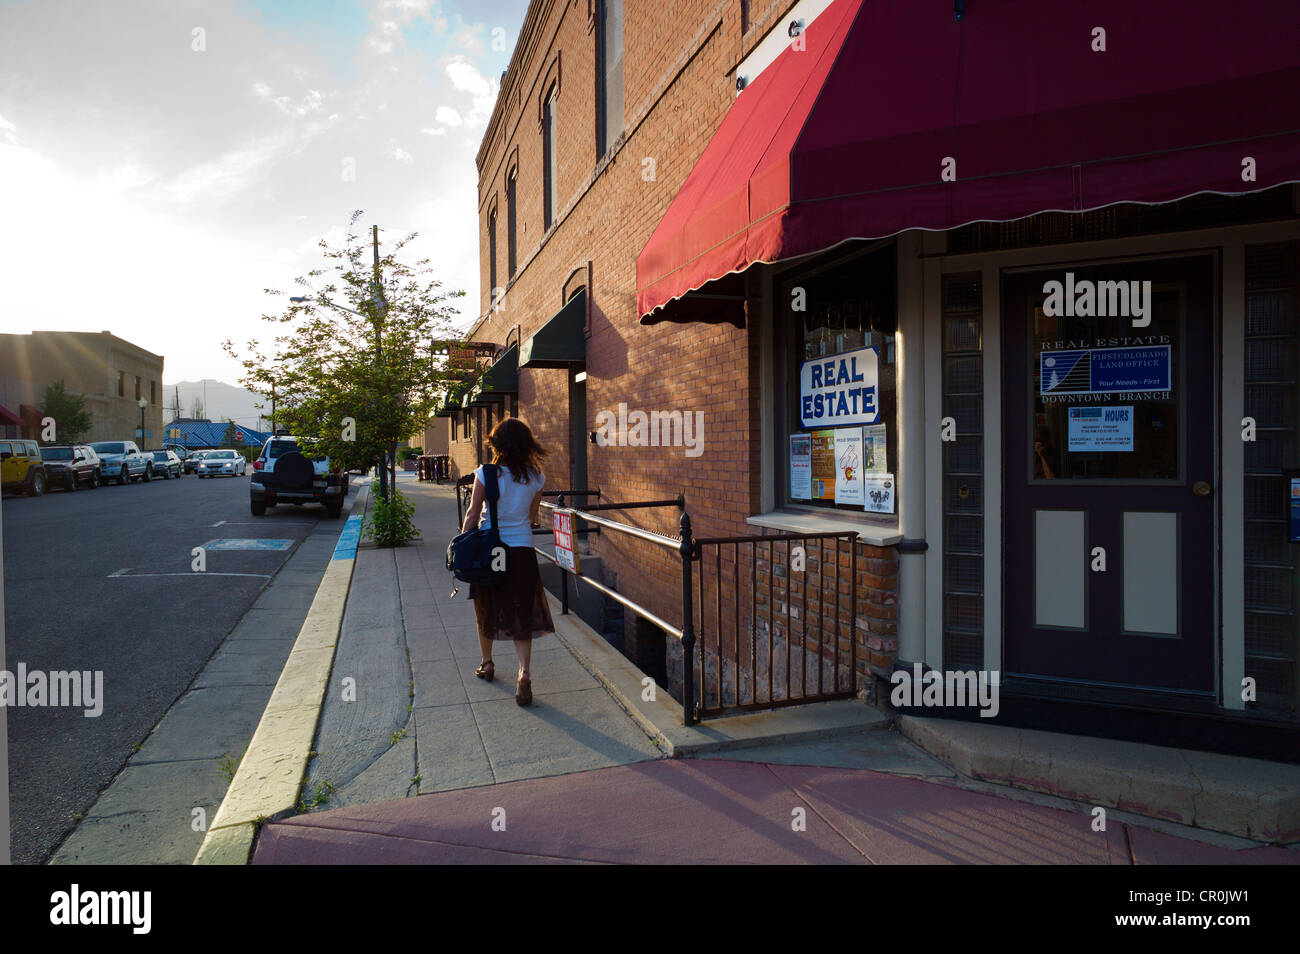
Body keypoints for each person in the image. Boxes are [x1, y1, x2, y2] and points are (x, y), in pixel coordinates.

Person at [459, 418, 554, 705]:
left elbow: (473, 515)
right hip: (522, 551)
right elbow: (531, 517)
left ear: (496, 443)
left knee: (485, 607)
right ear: (527, 444)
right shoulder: (535, 476)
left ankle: (487, 664)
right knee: (521, 613)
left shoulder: (486, 474)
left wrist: (463, 543)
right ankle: (524, 673)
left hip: (490, 552)